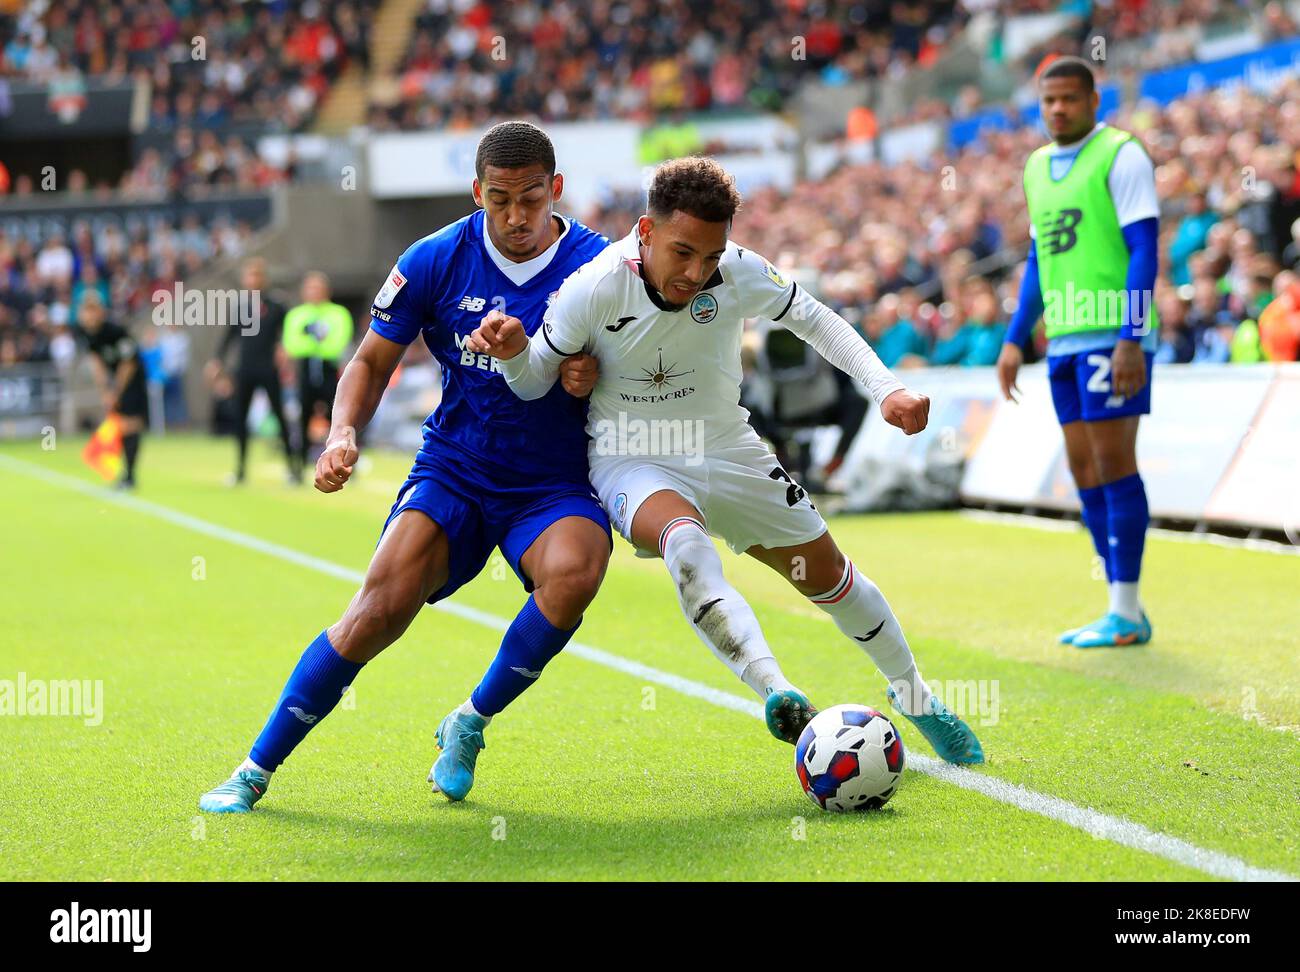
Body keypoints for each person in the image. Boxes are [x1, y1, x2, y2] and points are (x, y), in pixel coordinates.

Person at [470, 156, 983, 765]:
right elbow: (532, 383)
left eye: (711, 256)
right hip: (633, 458)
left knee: (833, 580)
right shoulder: (593, 286)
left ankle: (918, 698)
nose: (696, 272)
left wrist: (885, 388)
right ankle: (779, 692)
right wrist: (512, 353)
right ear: (646, 231)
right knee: (686, 545)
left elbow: (815, 320)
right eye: (683, 252)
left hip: (729, 447)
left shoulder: (737, 271)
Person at [198, 121, 614, 812]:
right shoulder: (432, 259)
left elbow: (637, 371)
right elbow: (369, 362)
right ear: (477, 192)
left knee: (575, 574)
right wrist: (340, 435)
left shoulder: (601, 267)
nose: (516, 216)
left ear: (556, 191)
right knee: (376, 612)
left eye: (532, 199)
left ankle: (470, 722)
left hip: (553, 479)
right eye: (500, 199)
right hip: (456, 467)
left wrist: (594, 374)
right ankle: (253, 769)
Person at [996, 56, 1160, 648]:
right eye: (1048, 101)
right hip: (1063, 341)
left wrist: (1131, 337)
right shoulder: (1037, 166)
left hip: (1113, 338)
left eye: (1069, 98)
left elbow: (1145, 249)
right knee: (1083, 469)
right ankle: (1121, 606)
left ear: (1095, 100)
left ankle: (1127, 607)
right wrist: (1016, 338)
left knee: (1115, 466)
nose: (1057, 109)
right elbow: (1040, 262)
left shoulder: (1122, 154)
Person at [206, 257, 297, 484]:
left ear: (263, 278)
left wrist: (285, 348)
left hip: (268, 368)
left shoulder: (277, 305)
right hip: (244, 369)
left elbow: (289, 332)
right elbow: (229, 337)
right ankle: (240, 470)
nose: (252, 280)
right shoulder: (241, 307)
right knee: (240, 418)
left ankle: (292, 469)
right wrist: (217, 361)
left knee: (279, 416)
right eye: (249, 275)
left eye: (256, 275)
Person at [282, 271, 353, 471]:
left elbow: (338, 343)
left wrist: (314, 343)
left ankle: (344, 460)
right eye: (310, 288)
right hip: (305, 371)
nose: (314, 292)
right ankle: (299, 464)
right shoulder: (297, 315)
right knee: (303, 416)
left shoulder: (338, 313)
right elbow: (292, 344)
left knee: (337, 417)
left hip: (329, 371)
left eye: (318, 288)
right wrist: (317, 343)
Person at [75, 291, 146, 489]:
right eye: (85, 311)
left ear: (101, 311)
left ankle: (130, 476)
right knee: (120, 424)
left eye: (93, 310)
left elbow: (128, 364)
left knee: (130, 424)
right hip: (115, 381)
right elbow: (97, 364)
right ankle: (125, 475)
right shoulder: (87, 334)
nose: (89, 316)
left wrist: (116, 391)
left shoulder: (115, 331)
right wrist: (105, 392)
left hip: (132, 378)